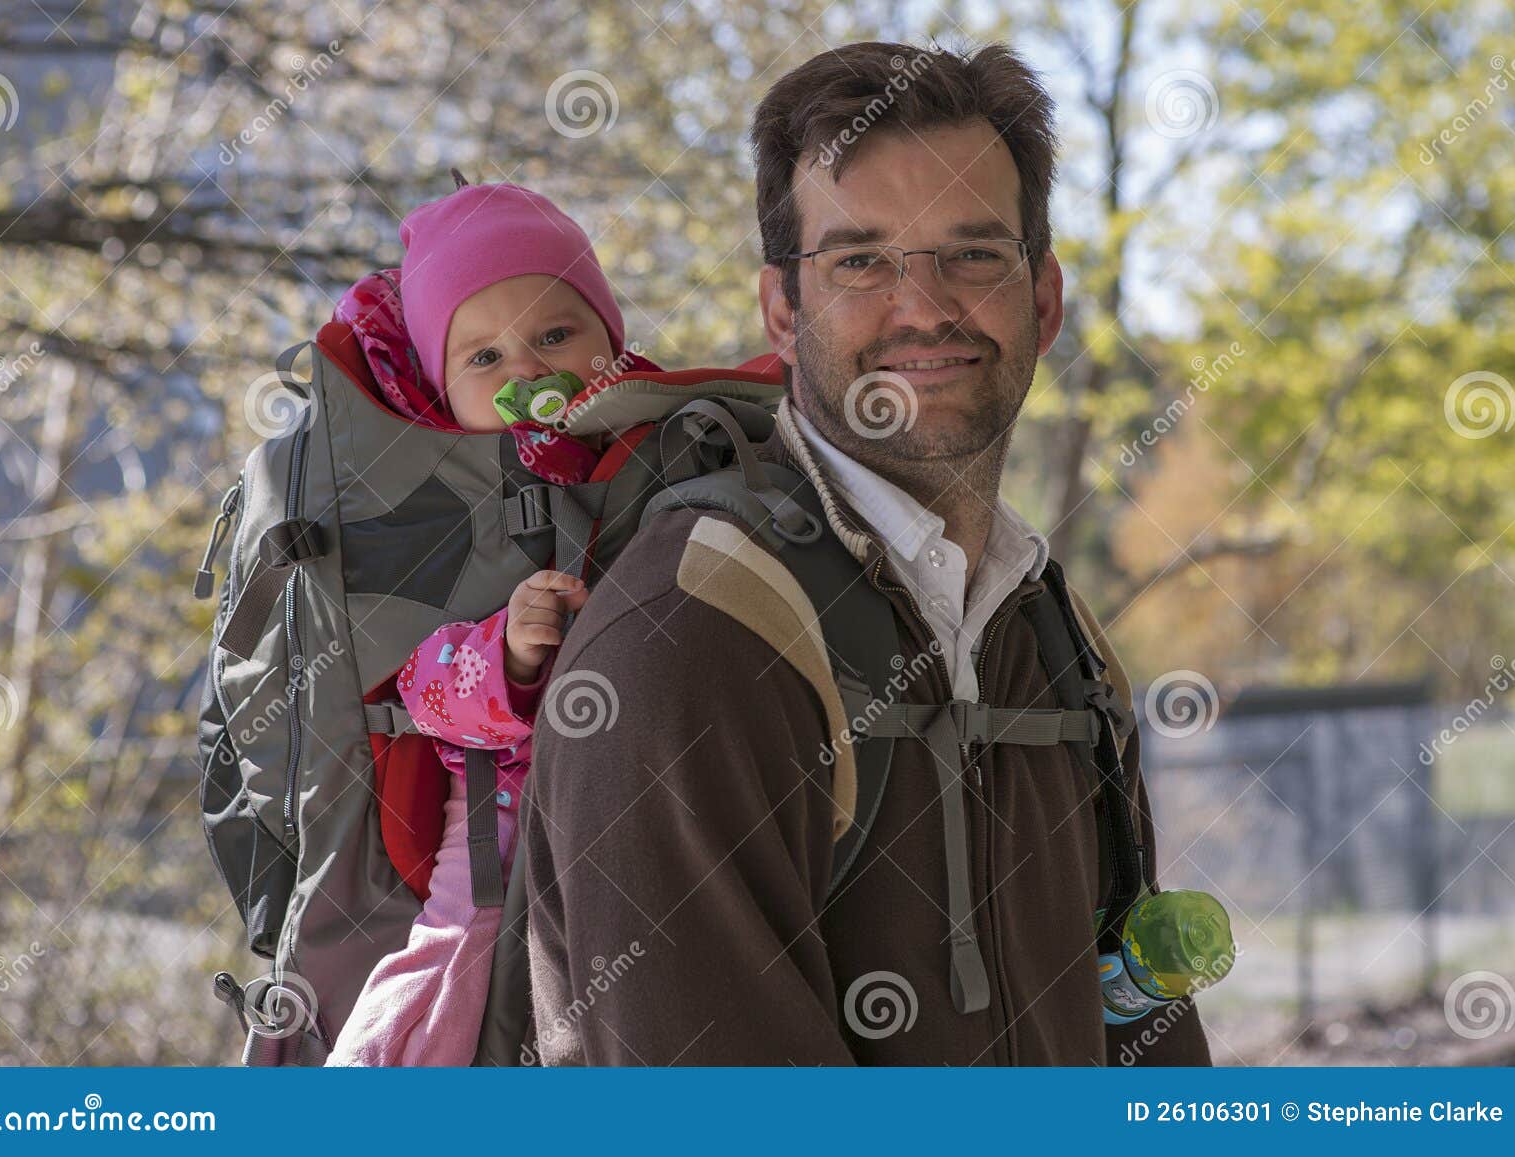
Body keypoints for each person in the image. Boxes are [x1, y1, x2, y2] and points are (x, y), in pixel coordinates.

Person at [520, 41, 1215, 1065]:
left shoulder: (1054, 634)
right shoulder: (689, 638)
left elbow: (1137, 1033)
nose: (924, 305)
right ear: (781, 309)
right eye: (860, 260)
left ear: (1044, 298)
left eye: (974, 253)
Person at [326, 180, 623, 1065]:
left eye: (555, 335)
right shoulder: (442, 504)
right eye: (484, 357)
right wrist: (511, 653)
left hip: (622, 821)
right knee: (441, 1000)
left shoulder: (652, 454)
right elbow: (419, 684)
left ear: (612, 341)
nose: (527, 370)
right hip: (491, 838)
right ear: (441, 388)